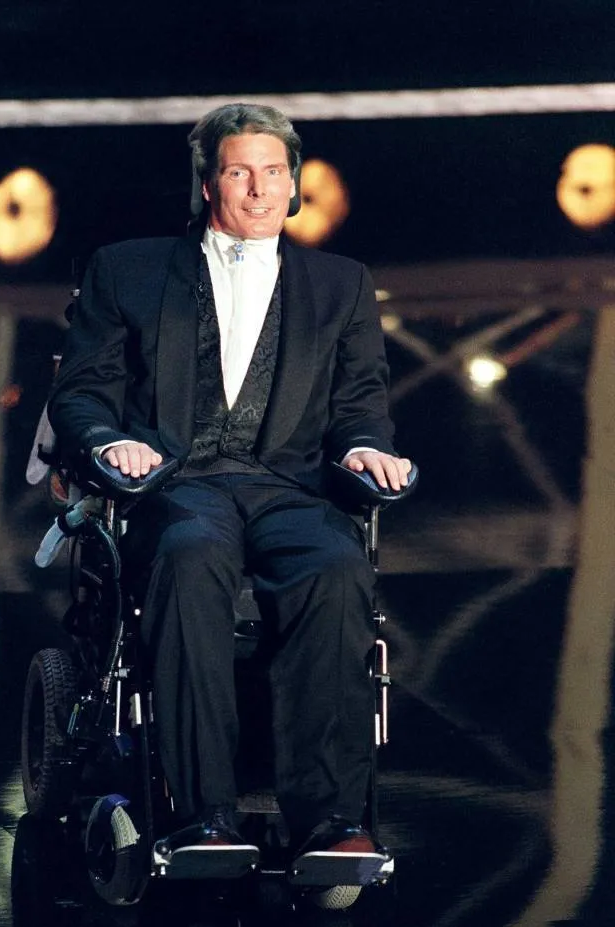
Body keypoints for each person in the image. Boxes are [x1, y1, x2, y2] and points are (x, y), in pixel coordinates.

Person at [48, 102, 411, 871]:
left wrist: (368, 449)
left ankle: (330, 819)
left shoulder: (341, 284)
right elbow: (81, 394)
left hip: (291, 485)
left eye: (273, 172)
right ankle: (204, 816)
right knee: (189, 558)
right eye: (240, 171)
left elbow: (359, 406)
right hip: (178, 483)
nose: (258, 188)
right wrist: (110, 440)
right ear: (207, 182)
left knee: (336, 568)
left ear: (294, 183)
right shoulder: (128, 270)